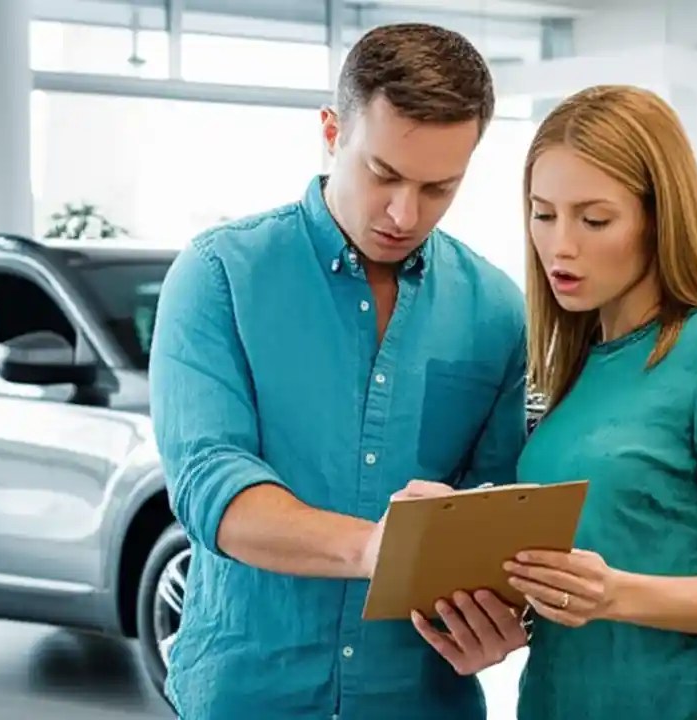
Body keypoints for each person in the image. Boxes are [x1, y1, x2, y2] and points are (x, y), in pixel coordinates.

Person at [148, 22, 531, 720]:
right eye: (383, 173)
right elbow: (210, 485)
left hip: (422, 703)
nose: (404, 213)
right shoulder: (219, 277)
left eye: (439, 188)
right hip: (248, 699)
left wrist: (496, 626)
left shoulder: (497, 311)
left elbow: (493, 514)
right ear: (332, 132)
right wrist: (374, 548)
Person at [414, 85, 697, 718]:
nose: (559, 245)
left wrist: (617, 595)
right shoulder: (570, 365)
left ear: (659, 217)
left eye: (594, 219)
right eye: (543, 214)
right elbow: (584, 560)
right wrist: (467, 565)